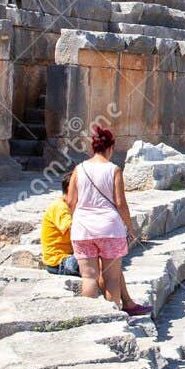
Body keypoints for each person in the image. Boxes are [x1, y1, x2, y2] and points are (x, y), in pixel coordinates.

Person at [65, 124, 151, 316]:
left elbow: (70, 201)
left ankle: (87, 318)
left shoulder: (79, 169)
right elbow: (121, 203)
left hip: (83, 229)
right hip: (109, 230)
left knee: (89, 277)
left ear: (92, 148)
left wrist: (77, 221)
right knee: (112, 279)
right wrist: (130, 228)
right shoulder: (114, 170)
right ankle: (112, 318)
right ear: (111, 148)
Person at [40, 177, 78, 277]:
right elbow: (74, 230)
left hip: (68, 255)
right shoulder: (60, 207)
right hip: (59, 261)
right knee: (97, 265)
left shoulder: (71, 205)